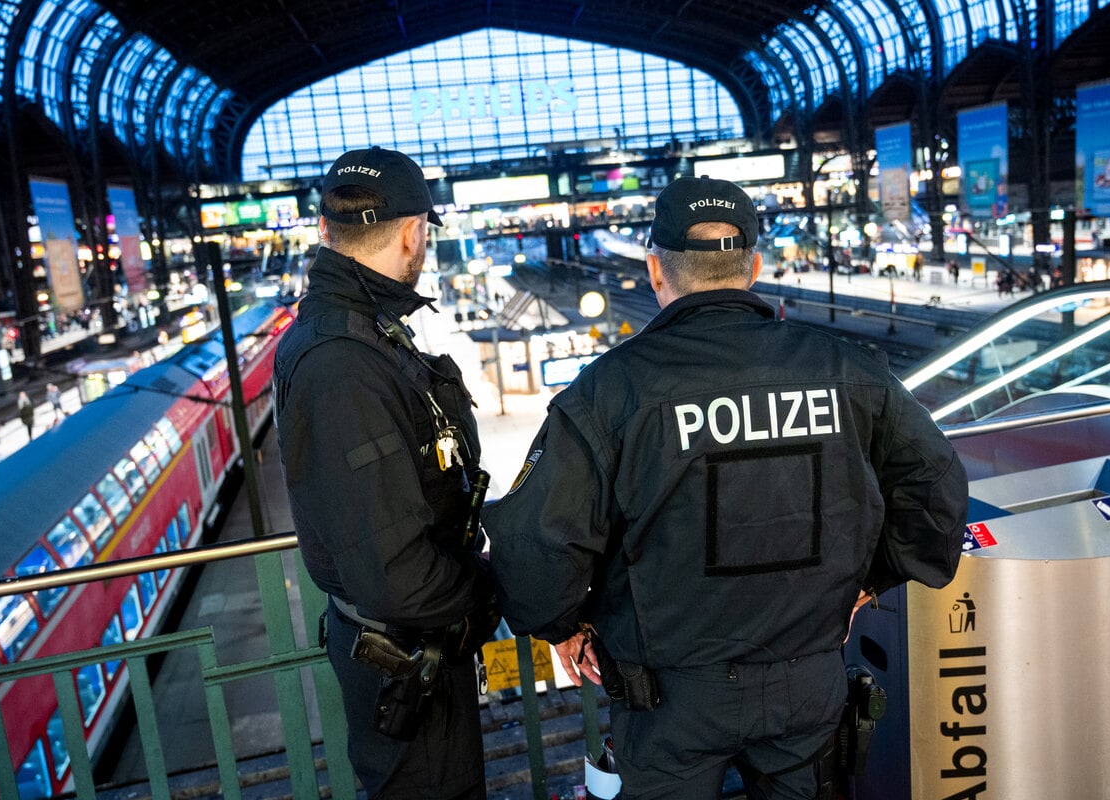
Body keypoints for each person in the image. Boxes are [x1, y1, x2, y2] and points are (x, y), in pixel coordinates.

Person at [484, 176, 969, 800]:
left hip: (667, 700)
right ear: (756, 266)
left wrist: (564, 628)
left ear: (656, 270)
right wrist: (871, 583)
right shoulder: (849, 370)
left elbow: (531, 543)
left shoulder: (608, 392)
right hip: (809, 680)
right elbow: (935, 489)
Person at [273, 146, 498, 799]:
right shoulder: (344, 363)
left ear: (325, 230)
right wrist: (491, 590)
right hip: (407, 656)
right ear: (413, 231)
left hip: (414, 647)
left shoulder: (358, 335)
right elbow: (396, 574)